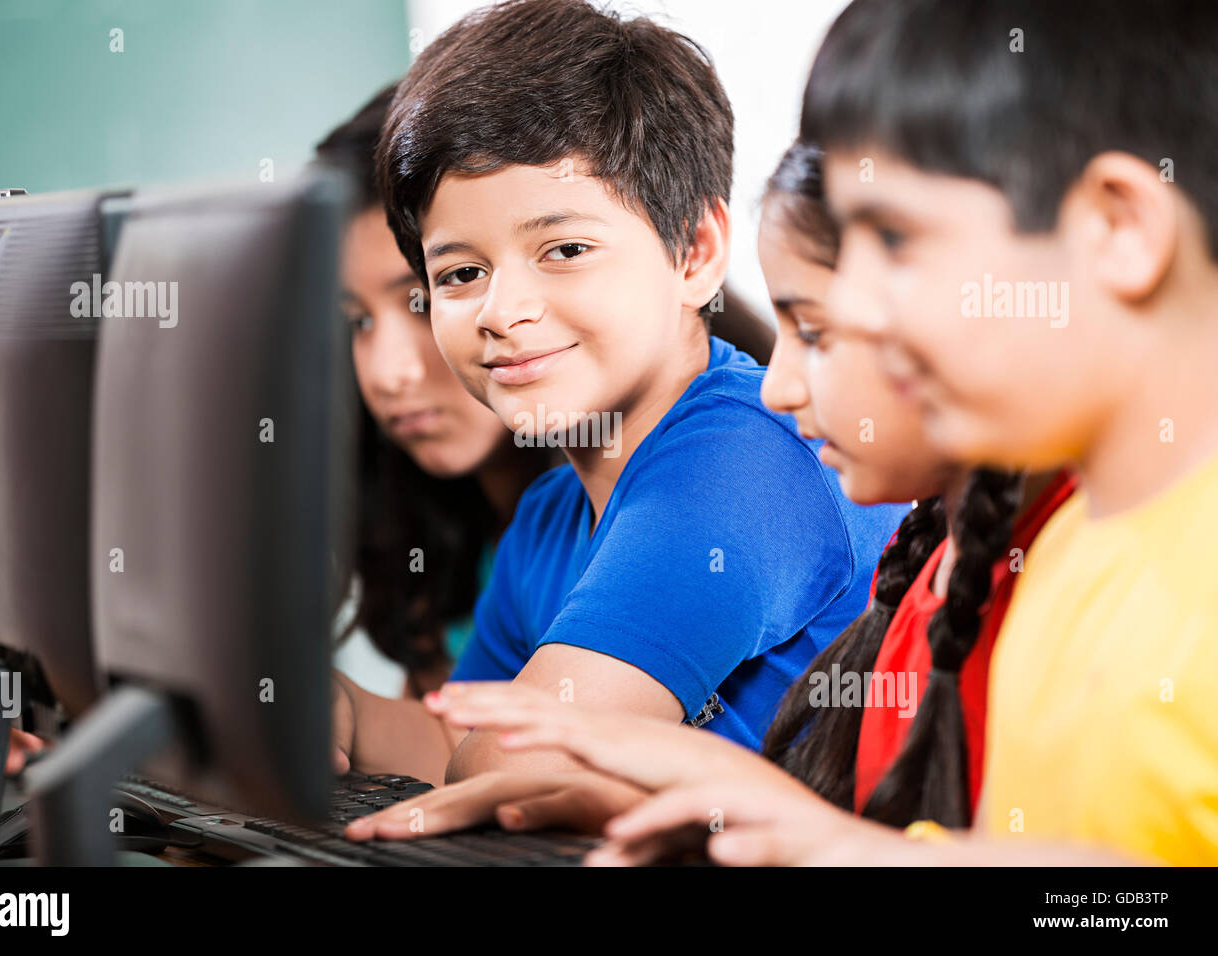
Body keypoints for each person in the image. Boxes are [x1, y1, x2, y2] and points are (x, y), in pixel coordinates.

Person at [355, 0, 1218, 866]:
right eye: (461, 273)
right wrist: (776, 827)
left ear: (1119, 227)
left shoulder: (1157, 571)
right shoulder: (1060, 566)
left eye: (896, 240)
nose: (860, 307)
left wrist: (837, 850)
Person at [330, 0, 907, 786]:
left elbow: (512, 764)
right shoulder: (546, 518)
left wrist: (473, 756)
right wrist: (336, 713)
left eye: (564, 249)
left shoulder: (743, 465)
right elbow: (455, 744)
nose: (502, 311)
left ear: (696, 254)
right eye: (462, 273)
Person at [316, 85, 554, 698]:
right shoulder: (432, 524)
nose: (388, 374)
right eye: (355, 322)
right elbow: (445, 757)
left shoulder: (672, 496)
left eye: (424, 301)